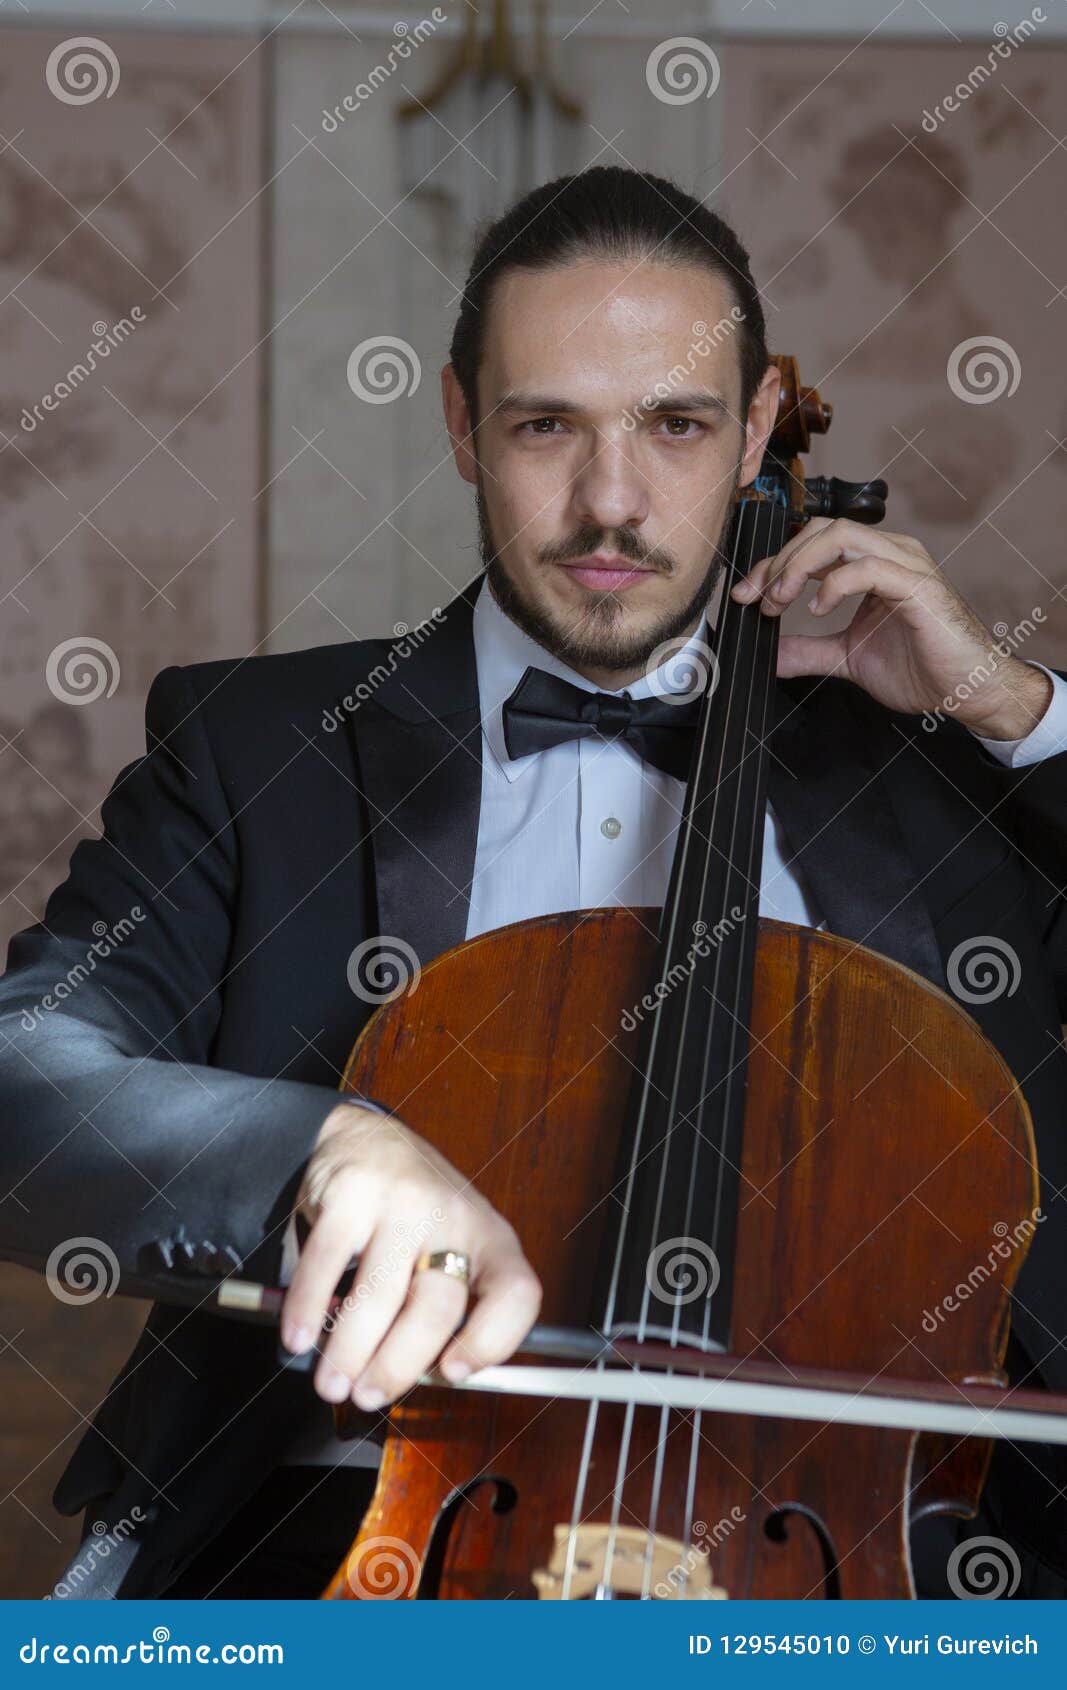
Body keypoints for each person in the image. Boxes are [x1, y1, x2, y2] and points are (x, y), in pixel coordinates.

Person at [2, 165, 1066, 1601]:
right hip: (348, 1542)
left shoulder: (947, 766)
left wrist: (1015, 710)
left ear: (758, 431)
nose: (610, 502)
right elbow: (26, 1072)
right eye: (547, 424)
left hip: (870, 1563)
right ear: (460, 424)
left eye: (678, 426)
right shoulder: (265, 749)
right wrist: (318, 1149)